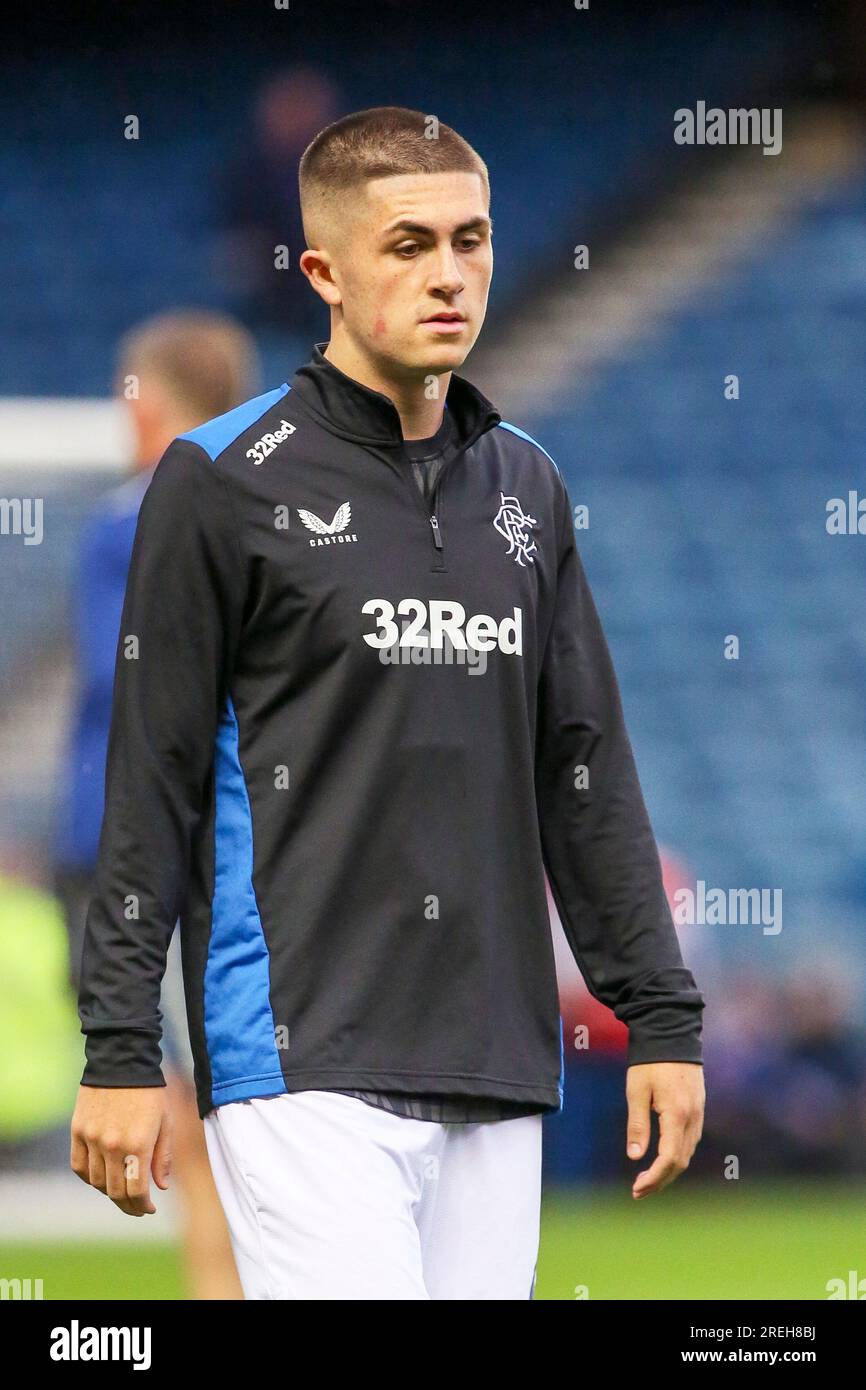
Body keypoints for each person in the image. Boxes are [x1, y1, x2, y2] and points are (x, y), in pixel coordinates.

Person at [71, 107, 705, 1300]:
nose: (448, 274)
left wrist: (659, 1019)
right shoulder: (217, 482)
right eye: (408, 245)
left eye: (470, 240)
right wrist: (119, 1046)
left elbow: (582, 769)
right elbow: (150, 777)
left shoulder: (526, 483)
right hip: (297, 1050)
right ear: (322, 272)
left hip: (493, 1054)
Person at [60, 310, 259, 1299]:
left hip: (148, 843)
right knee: (208, 1098)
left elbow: (127, 681)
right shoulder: (262, 506)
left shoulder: (138, 520)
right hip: (214, 839)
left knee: (196, 1101)